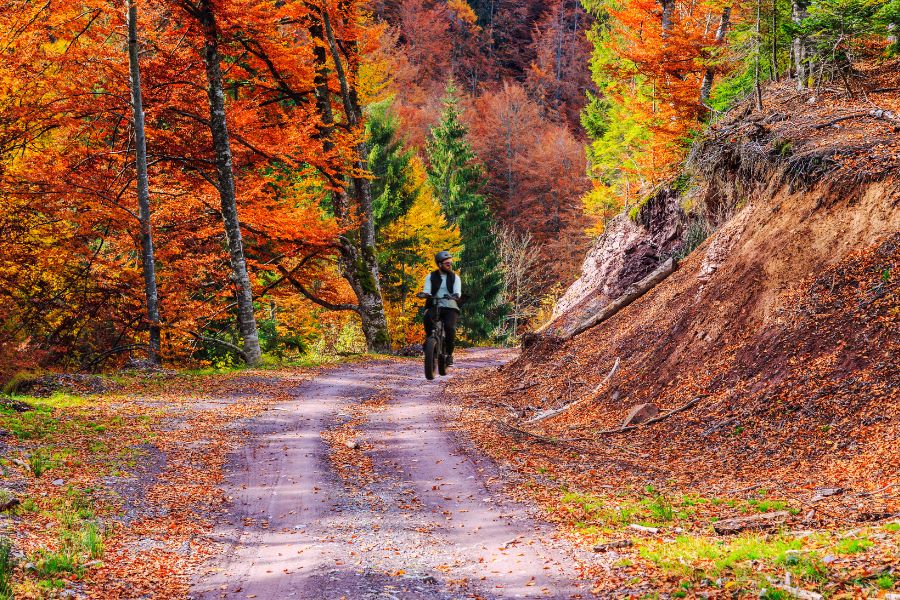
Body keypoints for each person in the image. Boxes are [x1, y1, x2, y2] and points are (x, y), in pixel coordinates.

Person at [422, 250, 461, 365]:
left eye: (450, 263)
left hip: (450, 307)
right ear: (439, 264)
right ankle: (430, 341)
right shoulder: (431, 276)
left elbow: (457, 292)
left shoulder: (455, 277)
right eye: (447, 264)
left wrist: (454, 296)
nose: (450, 265)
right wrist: (424, 294)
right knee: (427, 318)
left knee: (449, 327)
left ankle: (449, 354)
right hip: (435, 305)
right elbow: (427, 290)